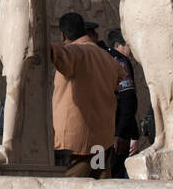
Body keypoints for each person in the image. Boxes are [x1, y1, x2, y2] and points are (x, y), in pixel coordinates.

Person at [51, 11, 126, 176]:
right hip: (101, 144)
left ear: (63, 35)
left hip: (75, 147)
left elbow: (57, 53)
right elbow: (120, 80)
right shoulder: (107, 57)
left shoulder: (75, 52)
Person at [107, 27, 140, 178]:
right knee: (115, 176)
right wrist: (128, 134)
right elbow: (128, 100)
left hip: (98, 138)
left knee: (98, 173)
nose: (132, 50)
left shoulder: (101, 58)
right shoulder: (119, 61)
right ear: (117, 46)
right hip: (116, 137)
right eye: (129, 46)